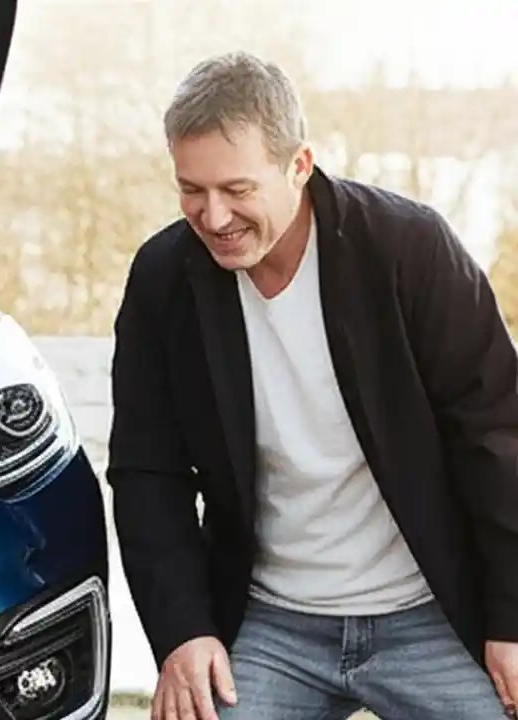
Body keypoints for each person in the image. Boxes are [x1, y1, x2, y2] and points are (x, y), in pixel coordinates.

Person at [108, 50, 518, 720]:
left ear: (299, 165)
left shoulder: (407, 248)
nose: (213, 217)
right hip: (271, 625)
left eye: (237, 190)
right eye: (192, 189)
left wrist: (512, 618)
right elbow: (147, 471)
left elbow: (496, 434)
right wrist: (184, 631)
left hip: (432, 615)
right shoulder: (163, 279)